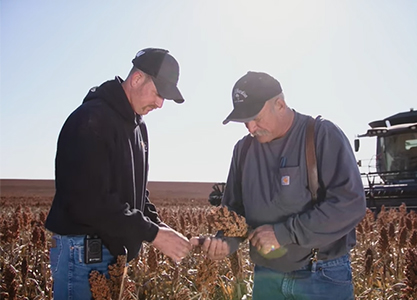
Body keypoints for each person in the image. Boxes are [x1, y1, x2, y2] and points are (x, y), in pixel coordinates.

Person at [193, 71, 366, 299]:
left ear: (280, 104)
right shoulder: (243, 150)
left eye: (256, 117)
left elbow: (349, 204)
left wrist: (283, 233)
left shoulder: (321, 134)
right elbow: (234, 212)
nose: (251, 127)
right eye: (245, 121)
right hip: (267, 278)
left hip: (321, 276)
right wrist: (225, 242)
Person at [45, 48, 192, 299]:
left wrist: (160, 227)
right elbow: (88, 201)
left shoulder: (138, 128)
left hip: (112, 256)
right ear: (136, 79)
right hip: (83, 256)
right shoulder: (91, 120)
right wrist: (152, 234)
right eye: (159, 93)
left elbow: (136, 194)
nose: (160, 104)